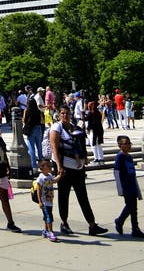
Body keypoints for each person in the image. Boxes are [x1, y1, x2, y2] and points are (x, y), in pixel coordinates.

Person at [50, 105, 107, 236]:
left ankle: (92, 224)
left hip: (78, 168)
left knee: (83, 196)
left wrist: (85, 158)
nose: (65, 115)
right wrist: (59, 166)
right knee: (64, 196)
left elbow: (81, 144)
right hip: (64, 167)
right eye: (62, 113)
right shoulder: (56, 128)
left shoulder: (75, 127)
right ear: (59, 115)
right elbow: (54, 148)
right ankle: (64, 223)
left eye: (67, 113)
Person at [114, 135, 144, 238]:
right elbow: (117, 173)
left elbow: (133, 173)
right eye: (126, 143)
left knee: (133, 208)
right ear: (120, 145)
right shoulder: (120, 157)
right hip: (126, 186)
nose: (128, 145)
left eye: (129, 143)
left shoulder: (129, 157)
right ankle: (120, 221)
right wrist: (120, 189)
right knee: (130, 206)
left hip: (132, 185)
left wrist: (137, 188)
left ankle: (134, 228)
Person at [35, 158, 61, 241]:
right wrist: (40, 201)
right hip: (44, 202)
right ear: (41, 168)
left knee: (46, 216)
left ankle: (46, 231)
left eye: (50, 166)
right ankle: (50, 232)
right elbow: (38, 190)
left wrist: (60, 175)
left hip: (50, 201)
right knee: (49, 216)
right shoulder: (41, 178)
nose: (50, 167)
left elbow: (54, 181)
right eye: (48, 166)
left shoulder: (49, 176)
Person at [23, 91, 44, 174]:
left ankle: (34, 166)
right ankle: (42, 164)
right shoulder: (38, 111)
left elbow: (24, 120)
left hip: (31, 130)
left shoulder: (27, 111)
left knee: (31, 148)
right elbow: (42, 121)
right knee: (39, 147)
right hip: (38, 128)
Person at [85, 100, 105, 165]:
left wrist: (87, 129)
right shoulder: (98, 113)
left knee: (93, 145)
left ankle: (96, 158)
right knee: (99, 144)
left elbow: (87, 121)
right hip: (99, 130)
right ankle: (101, 159)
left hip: (93, 131)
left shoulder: (90, 113)